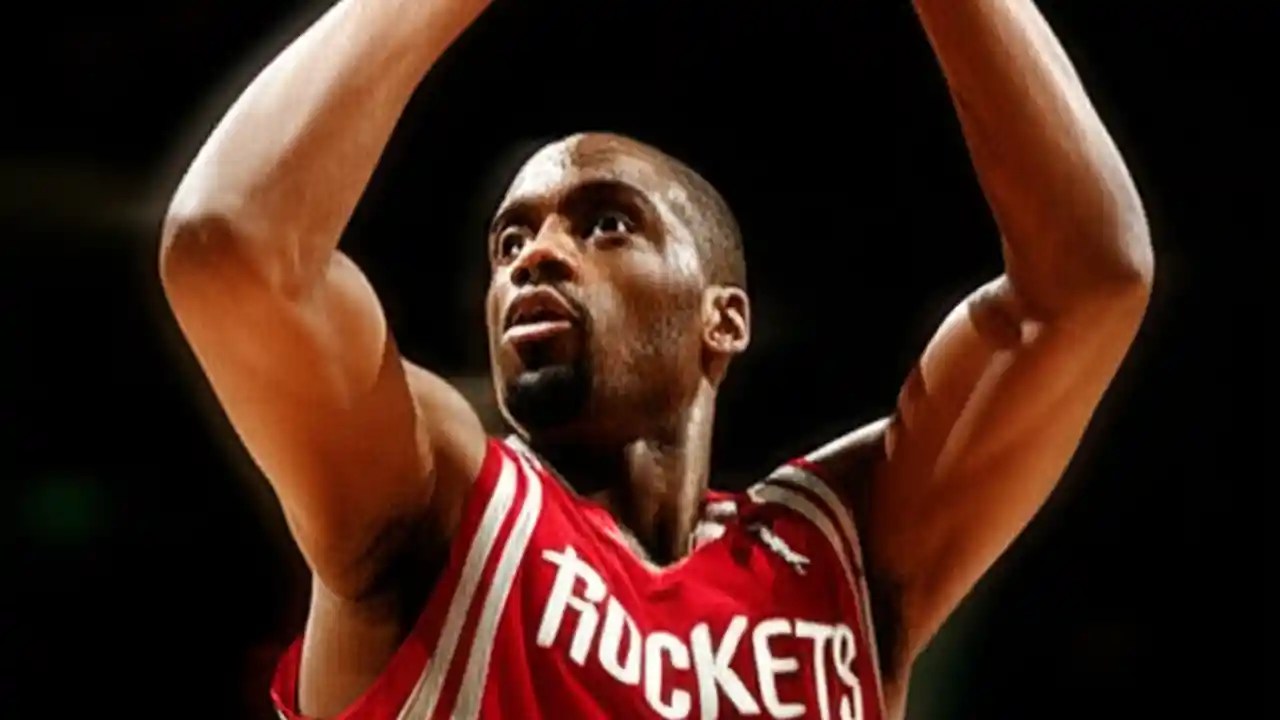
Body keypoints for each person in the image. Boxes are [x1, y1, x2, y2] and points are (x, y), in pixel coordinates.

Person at [158, 0, 1153, 717]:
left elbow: (1088, 284)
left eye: (603, 223)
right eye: (509, 243)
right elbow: (229, 248)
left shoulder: (836, 556)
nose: (535, 254)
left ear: (723, 320)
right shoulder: (441, 505)